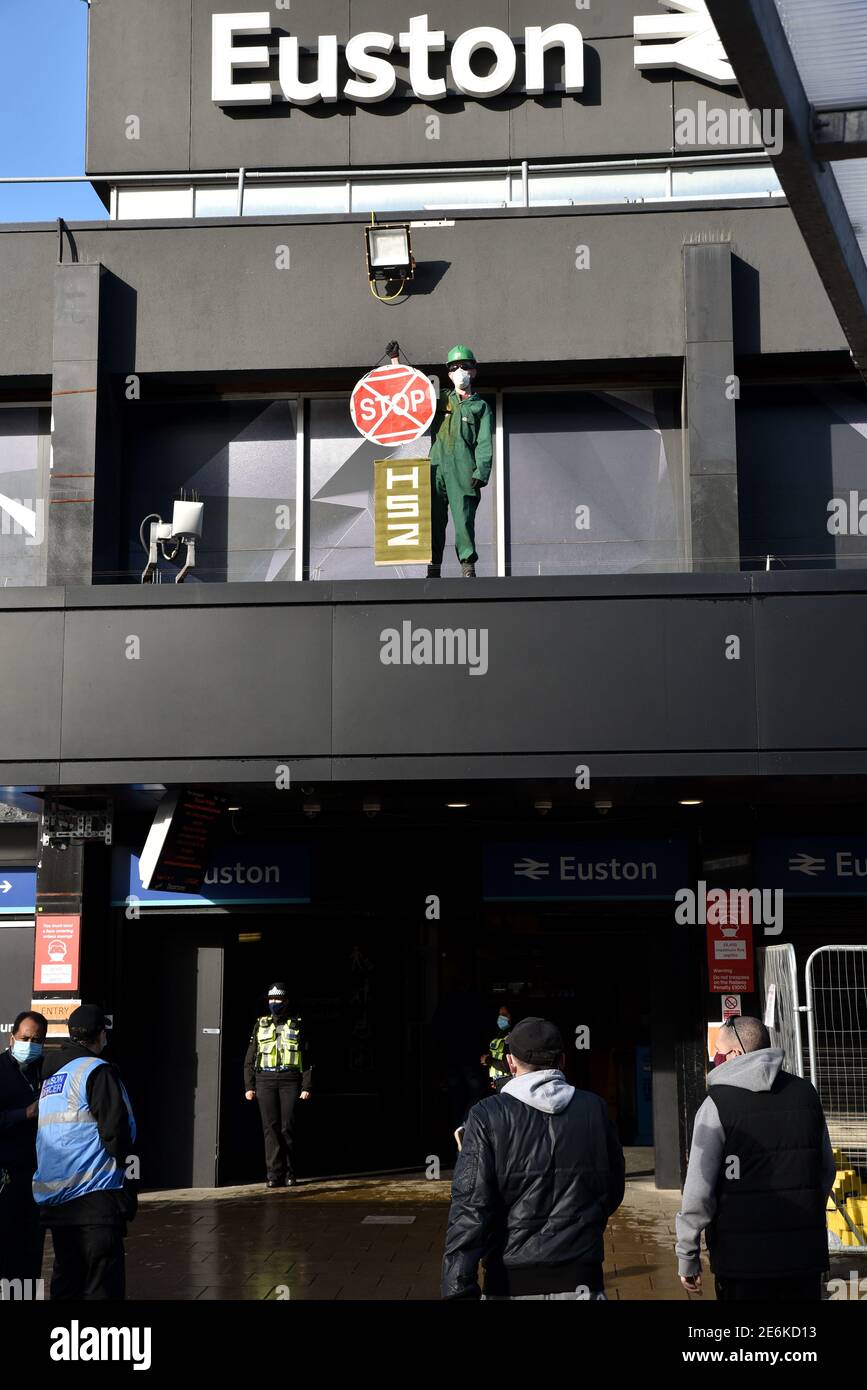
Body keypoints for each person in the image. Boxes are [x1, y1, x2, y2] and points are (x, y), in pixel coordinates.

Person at [442, 1017, 625, 1300]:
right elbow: (611, 1190)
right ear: (562, 1061)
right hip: (582, 1279)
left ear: (511, 1063)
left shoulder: (486, 1115)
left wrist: (458, 1289)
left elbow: (470, 1208)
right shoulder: (596, 1110)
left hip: (511, 1282)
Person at [676, 1015, 836, 1301]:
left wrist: (687, 1255)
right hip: (803, 1258)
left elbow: (698, 1193)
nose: (714, 1059)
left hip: (741, 1264)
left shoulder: (716, 1105)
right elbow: (825, 1171)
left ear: (736, 1054)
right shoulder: (806, 1094)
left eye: (718, 1053)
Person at [33, 1004, 137, 1301]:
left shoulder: (51, 1077)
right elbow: (117, 1134)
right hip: (96, 1196)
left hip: (58, 1200)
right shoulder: (97, 1071)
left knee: (67, 1282)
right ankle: (101, 1346)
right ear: (100, 1035)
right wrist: (129, 1188)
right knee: (100, 1285)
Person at [427, 345, 494, 579]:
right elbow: (410, 394)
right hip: (435, 467)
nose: (459, 371)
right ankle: (433, 568)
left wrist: (481, 471)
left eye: (464, 366)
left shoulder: (481, 407)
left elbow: (485, 442)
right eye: (454, 367)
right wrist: (395, 361)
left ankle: (467, 566)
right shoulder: (441, 397)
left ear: (473, 371)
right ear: (448, 374)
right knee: (433, 520)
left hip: (464, 469)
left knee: (463, 518)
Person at [244, 983, 312, 1188]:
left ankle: (290, 1173)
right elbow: (250, 1057)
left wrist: (307, 1086)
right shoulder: (260, 1024)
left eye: (278, 999)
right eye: (271, 1000)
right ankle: (273, 1174)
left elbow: (307, 1058)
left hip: (290, 1080)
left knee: (287, 1127)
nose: (274, 1003)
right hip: (265, 1080)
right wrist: (249, 1085)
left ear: (286, 1001)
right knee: (270, 1129)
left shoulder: (298, 1024)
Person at [0, 1010, 47, 1293]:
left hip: (36, 1177)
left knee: (30, 1252)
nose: (30, 1044)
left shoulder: (45, 1071)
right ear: (12, 1037)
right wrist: (24, 1113)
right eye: (25, 1038)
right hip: (5, 1177)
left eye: (36, 1040)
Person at [479, 1004, 513, 1093]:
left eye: (504, 1015)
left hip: (509, 1082)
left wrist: (488, 1060)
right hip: (500, 1082)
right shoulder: (498, 1035)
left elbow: (507, 1066)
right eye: (499, 1015)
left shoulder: (513, 1037)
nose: (501, 1018)